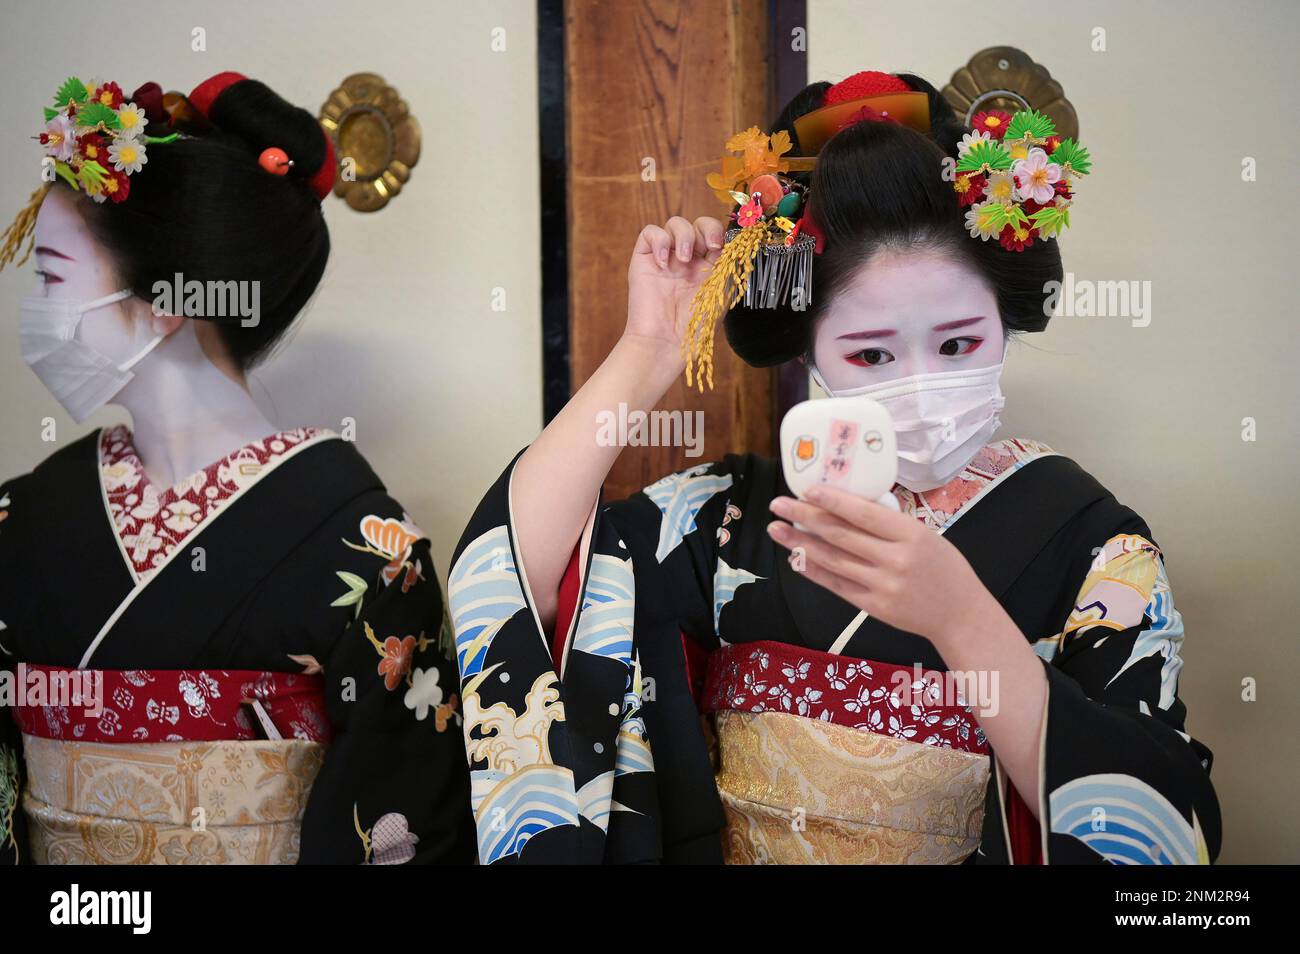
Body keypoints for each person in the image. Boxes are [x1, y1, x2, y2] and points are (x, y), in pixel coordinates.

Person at [447, 70, 1221, 864]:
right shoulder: (725, 519)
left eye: (958, 343)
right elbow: (512, 585)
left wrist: (962, 618)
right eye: (869, 352)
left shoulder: (1094, 548)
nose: (918, 379)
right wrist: (647, 356)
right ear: (810, 355)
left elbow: (1157, 835)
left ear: (1006, 324)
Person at [0, 72, 474, 864]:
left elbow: (399, 831)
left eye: (51, 276)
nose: (37, 311)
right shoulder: (23, 517)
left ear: (166, 298)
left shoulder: (366, 550)